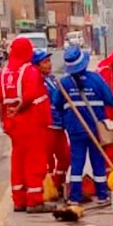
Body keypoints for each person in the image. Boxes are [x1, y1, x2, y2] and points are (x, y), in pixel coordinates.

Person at [51, 44, 113, 206]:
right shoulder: (96, 79)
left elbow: (56, 103)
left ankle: (75, 197)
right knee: (98, 161)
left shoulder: (64, 83)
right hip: (95, 128)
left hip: (74, 128)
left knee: (77, 161)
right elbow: (111, 100)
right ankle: (102, 195)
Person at [0, 36, 53, 213]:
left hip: (13, 124)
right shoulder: (29, 71)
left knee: (18, 160)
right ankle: (34, 201)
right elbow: (28, 96)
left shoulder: (4, 72)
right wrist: (19, 108)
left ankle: (19, 200)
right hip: (31, 121)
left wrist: (4, 120)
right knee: (35, 160)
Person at [33, 48, 70, 198]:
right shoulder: (36, 81)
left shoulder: (53, 79)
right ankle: (47, 189)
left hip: (59, 124)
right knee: (48, 161)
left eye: (49, 61)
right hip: (46, 126)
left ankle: (57, 183)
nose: (49, 64)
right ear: (37, 65)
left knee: (65, 157)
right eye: (45, 62)